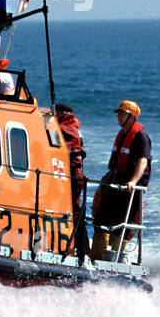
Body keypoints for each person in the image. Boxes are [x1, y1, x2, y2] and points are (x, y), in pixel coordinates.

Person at [90, 100, 151, 261]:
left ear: (131, 117)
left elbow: (142, 161)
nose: (118, 117)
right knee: (101, 220)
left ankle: (115, 259)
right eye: (118, 113)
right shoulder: (123, 134)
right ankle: (97, 257)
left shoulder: (140, 136)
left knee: (122, 226)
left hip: (128, 190)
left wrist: (133, 181)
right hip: (115, 184)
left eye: (122, 114)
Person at [54, 103, 88, 258]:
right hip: (76, 174)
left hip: (72, 175)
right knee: (76, 211)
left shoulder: (64, 128)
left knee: (74, 212)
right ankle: (82, 248)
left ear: (61, 113)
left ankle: (80, 249)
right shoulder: (76, 129)